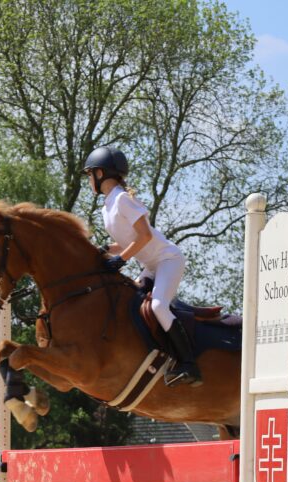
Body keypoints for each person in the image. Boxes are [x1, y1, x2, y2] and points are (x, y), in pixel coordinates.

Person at [83, 145, 201, 386]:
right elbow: (127, 240)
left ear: (100, 173)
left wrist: (122, 259)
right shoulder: (108, 205)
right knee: (132, 301)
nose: (88, 180)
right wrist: (106, 250)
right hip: (151, 264)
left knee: (158, 306)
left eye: (89, 174)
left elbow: (144, 235)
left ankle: (190, 365)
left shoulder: (123, 199)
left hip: (167, 259)